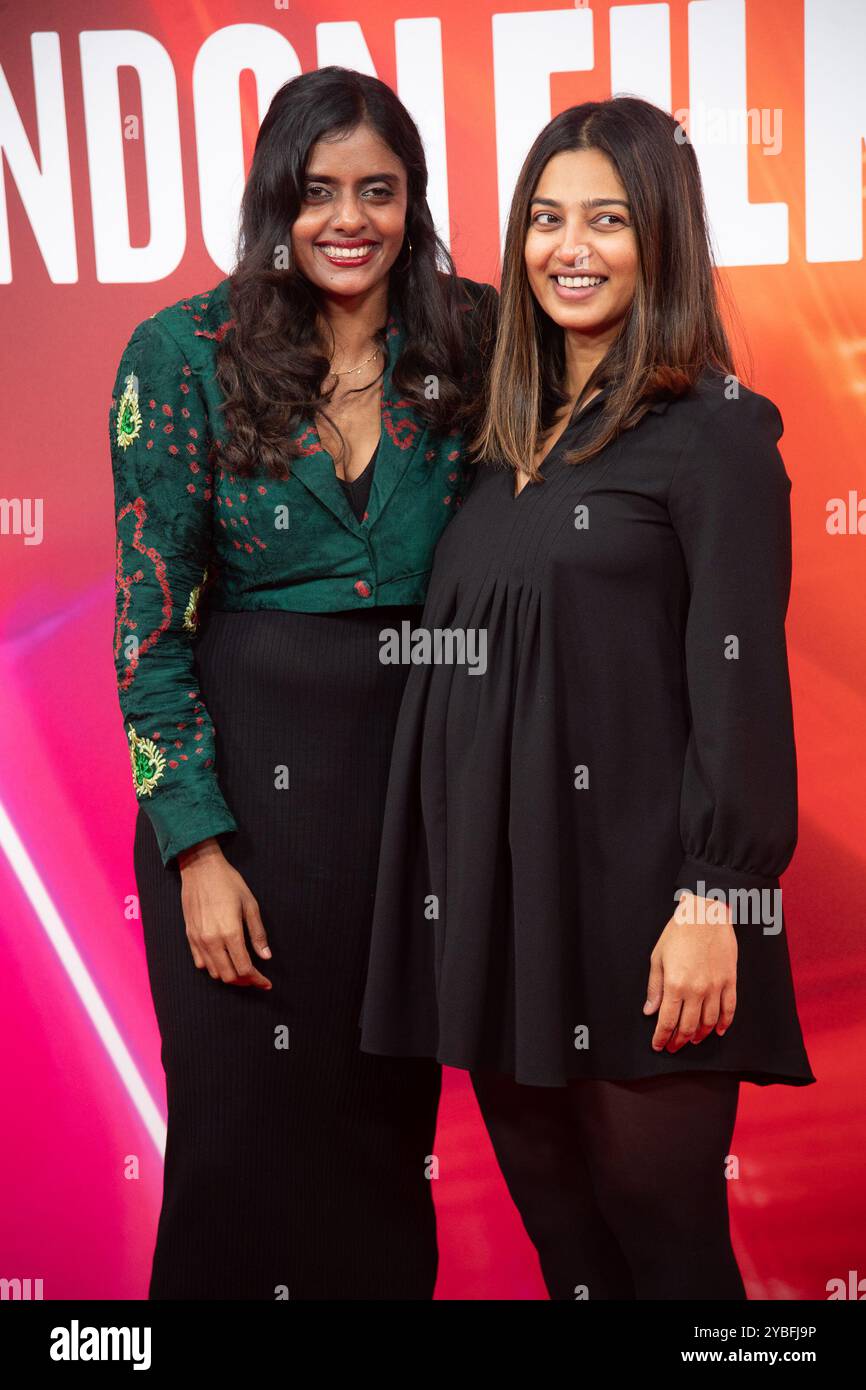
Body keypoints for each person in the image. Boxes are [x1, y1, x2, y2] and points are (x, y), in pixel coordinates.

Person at [358, 96, 815, 1300]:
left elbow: (737, 680)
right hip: (506, 922)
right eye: (545, 218)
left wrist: (716, 896)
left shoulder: (709, 436)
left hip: (645, 920)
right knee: (571, 1258)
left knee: (670, 1258)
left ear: (658, 237)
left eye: (606, 220)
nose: (570, 246)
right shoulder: (498, 443)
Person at [109, 65, 496, 1300]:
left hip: (408, 815)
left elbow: (621, 408)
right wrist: (196, 849)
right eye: (317, 190)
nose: (348, 220)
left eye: (377, 191)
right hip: (244, 817)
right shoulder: (183, 351)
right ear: (275, 199)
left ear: (411, 201)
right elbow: (148, 628)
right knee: (233, 1153)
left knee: (383, 1152)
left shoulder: (471, 339)